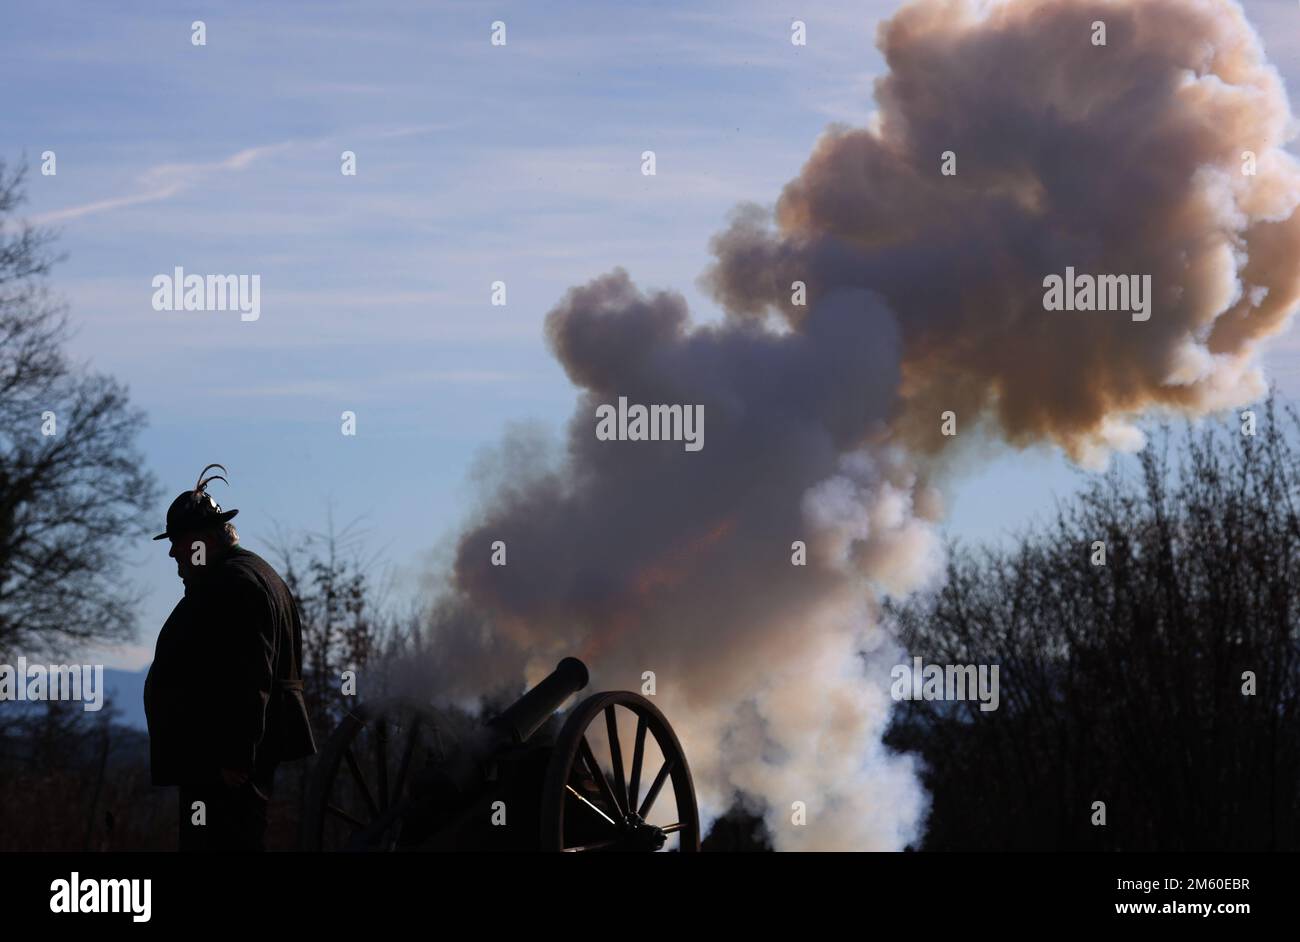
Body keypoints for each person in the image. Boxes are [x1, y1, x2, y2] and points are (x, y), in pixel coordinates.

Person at [143, 463, 316, 851]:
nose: (172, 552)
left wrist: (235, 756)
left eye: (179, 541)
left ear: (204, 540)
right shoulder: (250, 575)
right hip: (220, 760)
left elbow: (250, 676)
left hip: (225, 765)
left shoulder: (234, 584)